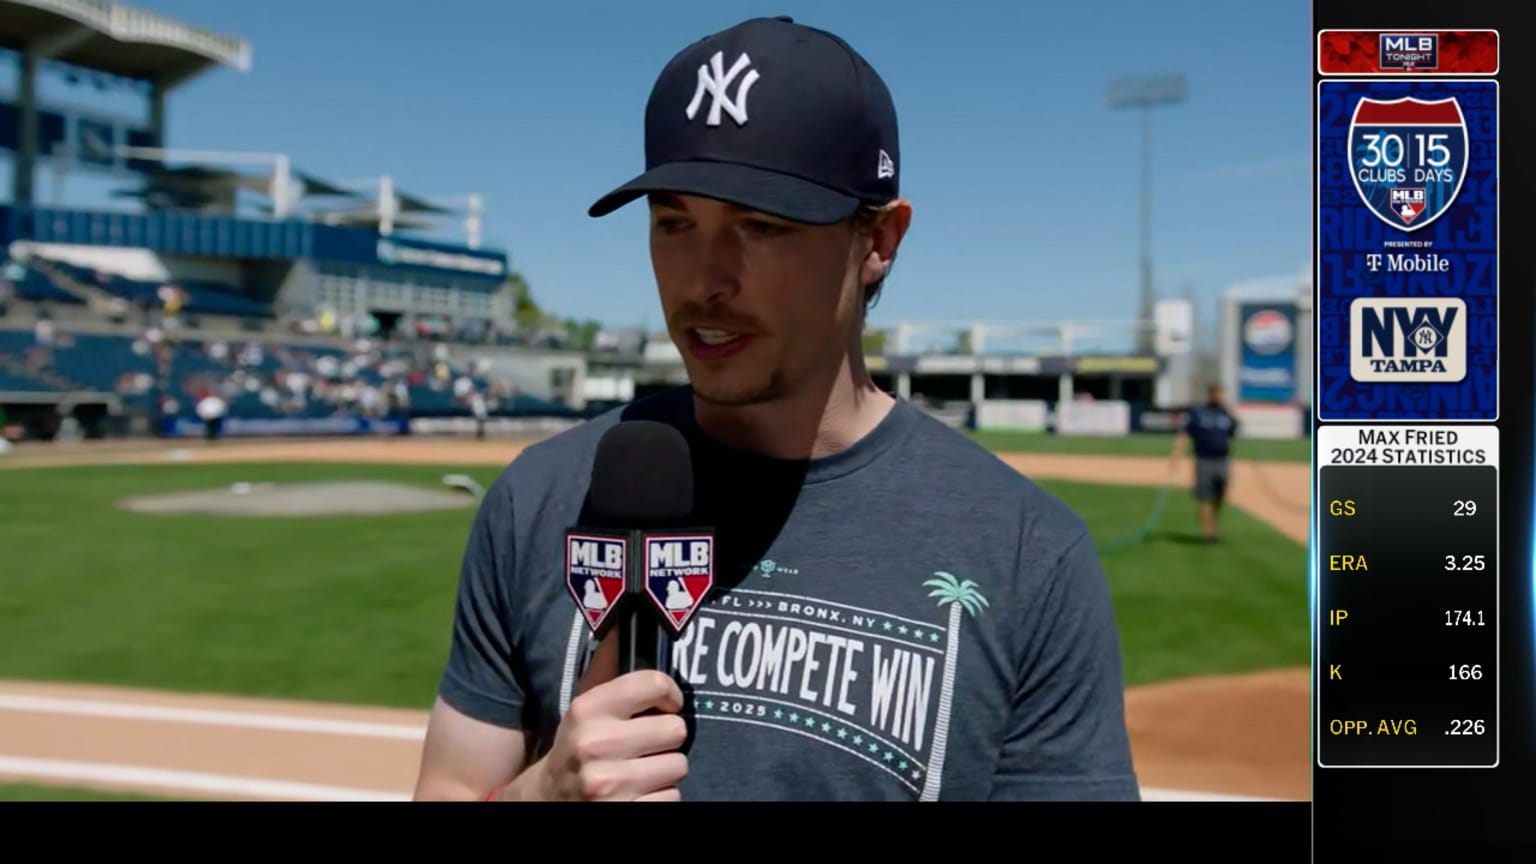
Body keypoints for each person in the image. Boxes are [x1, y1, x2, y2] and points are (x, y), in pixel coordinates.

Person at [413, 15, 1138, 803]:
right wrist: (543, 797)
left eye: (761, 227)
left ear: (879, 239)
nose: (704, 280)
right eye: (674, 222)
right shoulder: (541, 497)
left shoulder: (1029, 554)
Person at [1170, 384, 1239, 543]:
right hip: (1204, 460)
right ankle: (1208, 533)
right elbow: (1185, 435)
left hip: (1223, 460)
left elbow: (1232, 434)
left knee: (1220, 496)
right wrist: (1176, 456)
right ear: (1210, 394)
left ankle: (1214, 524)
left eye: (1221, 393)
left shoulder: (1226, 413)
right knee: (1205, 496)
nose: (1218, 396)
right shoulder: (1198, 413)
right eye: (1215, 393)